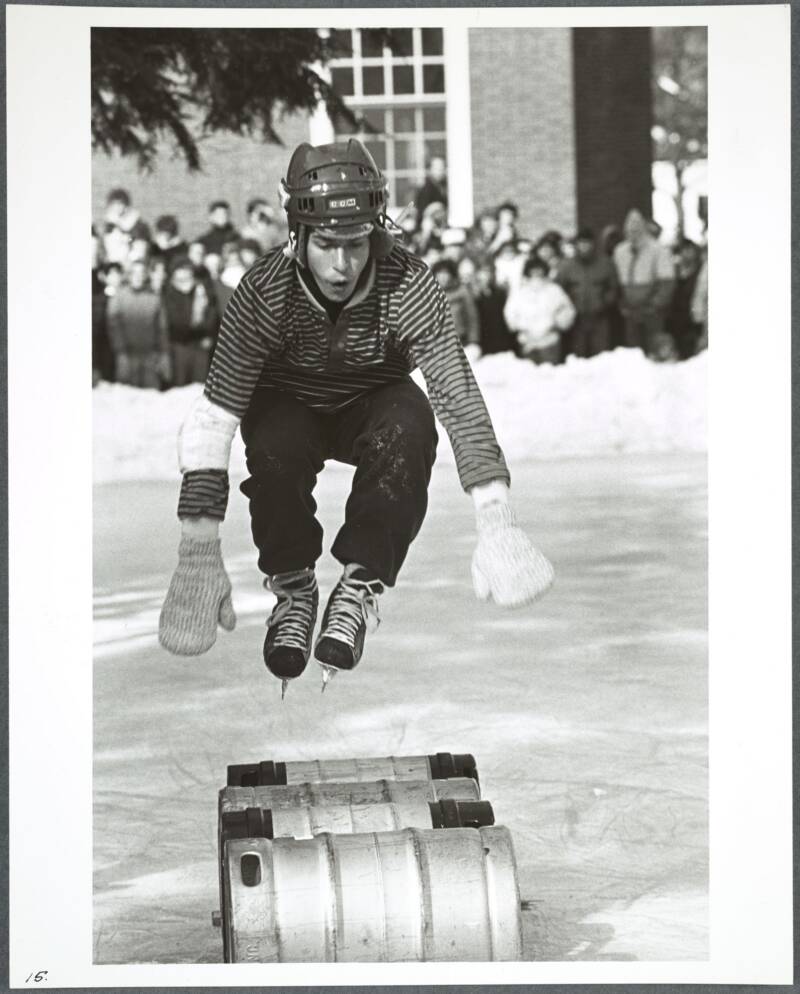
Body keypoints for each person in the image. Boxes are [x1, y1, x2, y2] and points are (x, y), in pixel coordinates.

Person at [158, 139, 554, 696]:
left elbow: (456, 393)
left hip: (372, 404)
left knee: (411, 419)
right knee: (271, 439)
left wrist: (496, 520)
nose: (341, 265)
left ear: (376, 230)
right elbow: (215, 415)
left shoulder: (408, 283)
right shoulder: (263, 292)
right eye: (325, 244)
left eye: (356, 243)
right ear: (297, 235)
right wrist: (197, 551)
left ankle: (359, 584)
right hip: (289, 406)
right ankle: (294, 588)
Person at [613, 208, 676, 359]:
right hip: (630, 311)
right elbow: (616, 281)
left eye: (637, 226)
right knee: (634, 353)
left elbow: (667, 282)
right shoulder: (620, 251)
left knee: (654, 349)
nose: (633, 230)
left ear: (644, 228)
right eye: (629, 227)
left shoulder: (658, 250)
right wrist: (622, 303)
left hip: (652, 311)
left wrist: (655, 304)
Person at [106, 259, 170, 388]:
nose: (138, 277)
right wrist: (121, 353)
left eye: (141, 273)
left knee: (151, 398)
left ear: (146, 275)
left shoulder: (154, 298)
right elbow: (113, 327)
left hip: (150, 357)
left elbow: (162, 328)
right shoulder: (118, 297)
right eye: (134, 273)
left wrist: (164, 354)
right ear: (129, 275)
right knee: (127, 398)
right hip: (127, 357)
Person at [557, 227, 619, 359]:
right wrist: (569, 308)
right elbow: (559, 291)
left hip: (600, 318)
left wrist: (605, 303)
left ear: (593, 244)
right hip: (576, 319)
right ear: (576, 245)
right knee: (578, 356)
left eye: (587, 243)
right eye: (581, 243)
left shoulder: (606, 264)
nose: (584, 246)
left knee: (601, 355)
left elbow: (613, 288)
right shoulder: (566, 266)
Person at [504, 256, 576, 364]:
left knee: (549, 376)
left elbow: (568, 310)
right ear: (527, 272)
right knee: (528, 375)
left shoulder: (554, 290)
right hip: (527, 343)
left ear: (545, 270)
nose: (536, 273)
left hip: (550, 342)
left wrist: (556, 323)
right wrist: (522, 327)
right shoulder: (520, 292)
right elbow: (509, 313)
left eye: (539, 269)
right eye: (533, 270)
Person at [159, 257, 219, 386]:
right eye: (180, 273)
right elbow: (174, 321)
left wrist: (207, 333)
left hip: (200, 345)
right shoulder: (169, 294)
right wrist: (195, 328)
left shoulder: (202, 291)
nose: (185, 277)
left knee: (199, 387)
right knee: (180, 386)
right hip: (179, 345)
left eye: (188, 273)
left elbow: (212, 315)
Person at [431, 259, 481, 360]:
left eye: (446, 273)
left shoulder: (462, 292)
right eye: (439, 273)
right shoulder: (430, 295)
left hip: (464, 344)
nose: (443, 277)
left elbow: (472, 318)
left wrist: (473, 341)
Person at [666, 238, 703, 360]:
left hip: (691, 323)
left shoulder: (700, 273)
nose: (686, 254)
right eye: (684, 250)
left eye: (690, 250)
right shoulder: (674, 271)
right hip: (674, 321)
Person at [473, 262, 516, 356]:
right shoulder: (474, 295)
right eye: (482, 273)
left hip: (501, 335)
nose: (485, 276)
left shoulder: (499, 293)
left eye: (488, 272)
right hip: (485, 337)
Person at [102, 188, 151, 267]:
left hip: (130, 265)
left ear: (126, 205)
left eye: (120, 204)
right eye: (113, 204)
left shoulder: (136, 224)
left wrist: (129, 261)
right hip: (113, 266)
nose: (116, 207)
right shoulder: (109, 224)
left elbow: (140, 248)